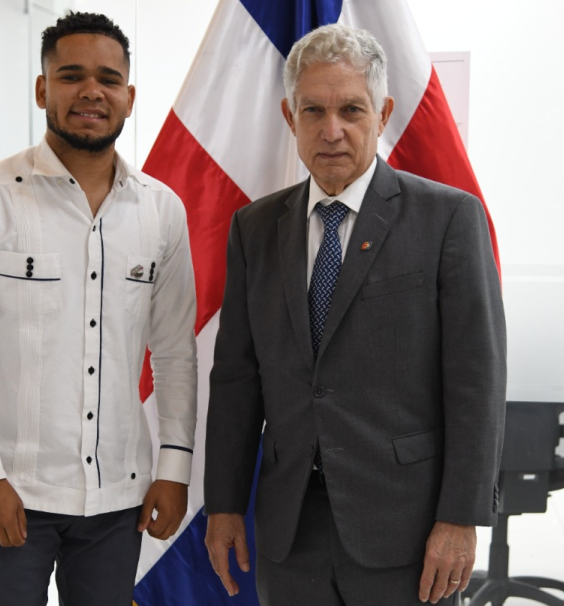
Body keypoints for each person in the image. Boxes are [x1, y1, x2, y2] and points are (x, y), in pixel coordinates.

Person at [203, 23, 506, 606]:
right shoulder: (254, 229)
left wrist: (460, 517)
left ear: (382, 113)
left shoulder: (447, 219)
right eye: (313, 110)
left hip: (408, 532)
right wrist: (223, 504)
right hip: (290, 532)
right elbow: (237, 379)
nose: (332, 130)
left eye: (351, 109)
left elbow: (477, 381)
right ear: (290, 117)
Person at [0, 12, 197, 606]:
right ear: (42, 88)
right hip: (10, 490)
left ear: (129, 97)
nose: (91, 92)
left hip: (119, 498)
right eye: (71, 76)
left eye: (108, 79)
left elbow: (175, 354)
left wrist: (174, 470)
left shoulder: (162, 210)